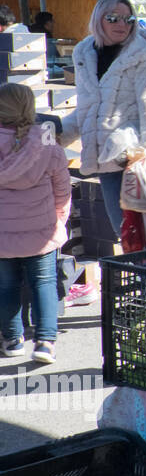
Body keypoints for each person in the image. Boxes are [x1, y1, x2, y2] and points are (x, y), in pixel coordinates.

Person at [70, 0, 146, 302]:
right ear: (98, 20)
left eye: (128, 19)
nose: (122, 25)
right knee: (125, 233)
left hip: (137, 156)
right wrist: (53, 133)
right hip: (106, 160)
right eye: (114, 18)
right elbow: (85, 108)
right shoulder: (84, 52)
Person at [0, 83, 71, 364]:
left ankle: (12, 339)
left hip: (2, 235)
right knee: (44, 283)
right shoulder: (46, 143)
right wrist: (59, 221)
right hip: (42, 231)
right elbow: (62, 190)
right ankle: (45, 342)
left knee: (6, 287)